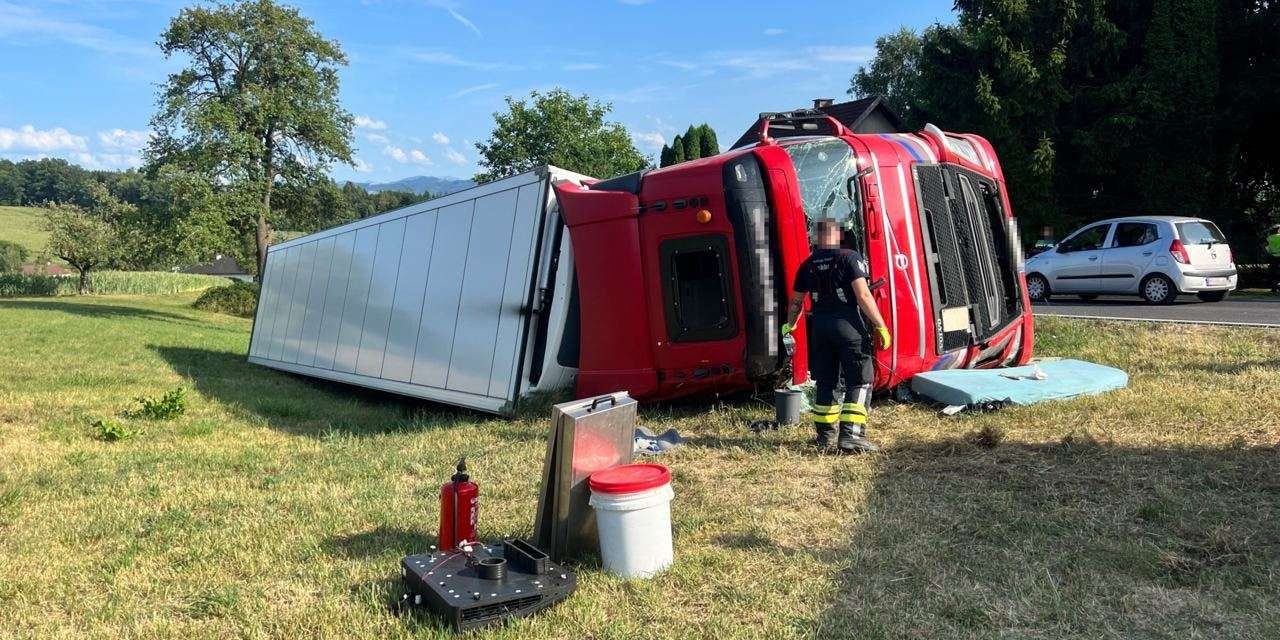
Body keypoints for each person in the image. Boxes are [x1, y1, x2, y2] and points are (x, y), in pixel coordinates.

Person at [781, 218, 891, 454]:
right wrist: (880, 325)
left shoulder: (807, 265)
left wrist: (790, 325)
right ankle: (852, 435)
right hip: (848, 327)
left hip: (820, 330)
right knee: (860, 380)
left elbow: (796, 302)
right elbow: (863, 295)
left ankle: (825, 436)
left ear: (816, 238)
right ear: (837, 236)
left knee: (826, 382)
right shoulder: (850, 257)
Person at [1268, 224, 1280, 293]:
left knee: (1273, 272)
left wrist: (1269, 251)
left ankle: (1274, 288)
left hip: (1273, 256)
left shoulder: (1269, 238)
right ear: (1278, 229)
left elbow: (1265, 246)